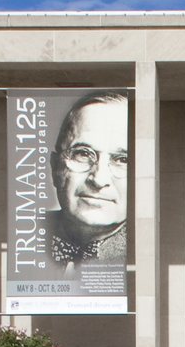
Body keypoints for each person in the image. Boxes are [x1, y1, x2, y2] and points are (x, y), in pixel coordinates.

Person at [42, 92, 130, 262]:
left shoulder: (144, 249)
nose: (98, 179)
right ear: (55, 168)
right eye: (82, 154)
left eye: (122, 160)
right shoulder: (26, 232)